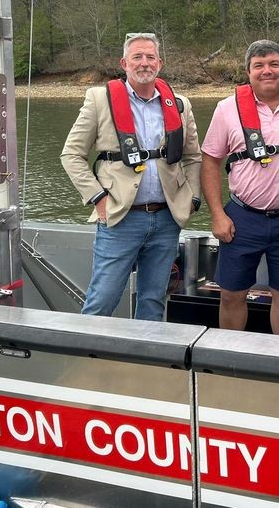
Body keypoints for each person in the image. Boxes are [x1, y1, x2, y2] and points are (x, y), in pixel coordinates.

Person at [61, 32, 201, 320]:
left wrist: (193, 199)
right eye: (137, 57)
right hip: (120, 218)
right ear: (124, 63)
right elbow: (71, 155)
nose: (144, 63)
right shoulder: (99, 99)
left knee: (153, 301)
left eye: (150, 57)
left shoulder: (180, 104)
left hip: (166, 219)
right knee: (103, 300)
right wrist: (98, 199)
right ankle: (88, 350)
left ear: (159, 63)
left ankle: (144, 350)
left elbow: (192, 157)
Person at [200, 39, 279, 336]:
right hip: (242, 217)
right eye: (259, 65)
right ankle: (231, 353)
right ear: (248, 72)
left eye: (274, 64)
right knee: (231, 293)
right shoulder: (226, 109)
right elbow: (210, 162)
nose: (267, 71)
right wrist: (217, 215)